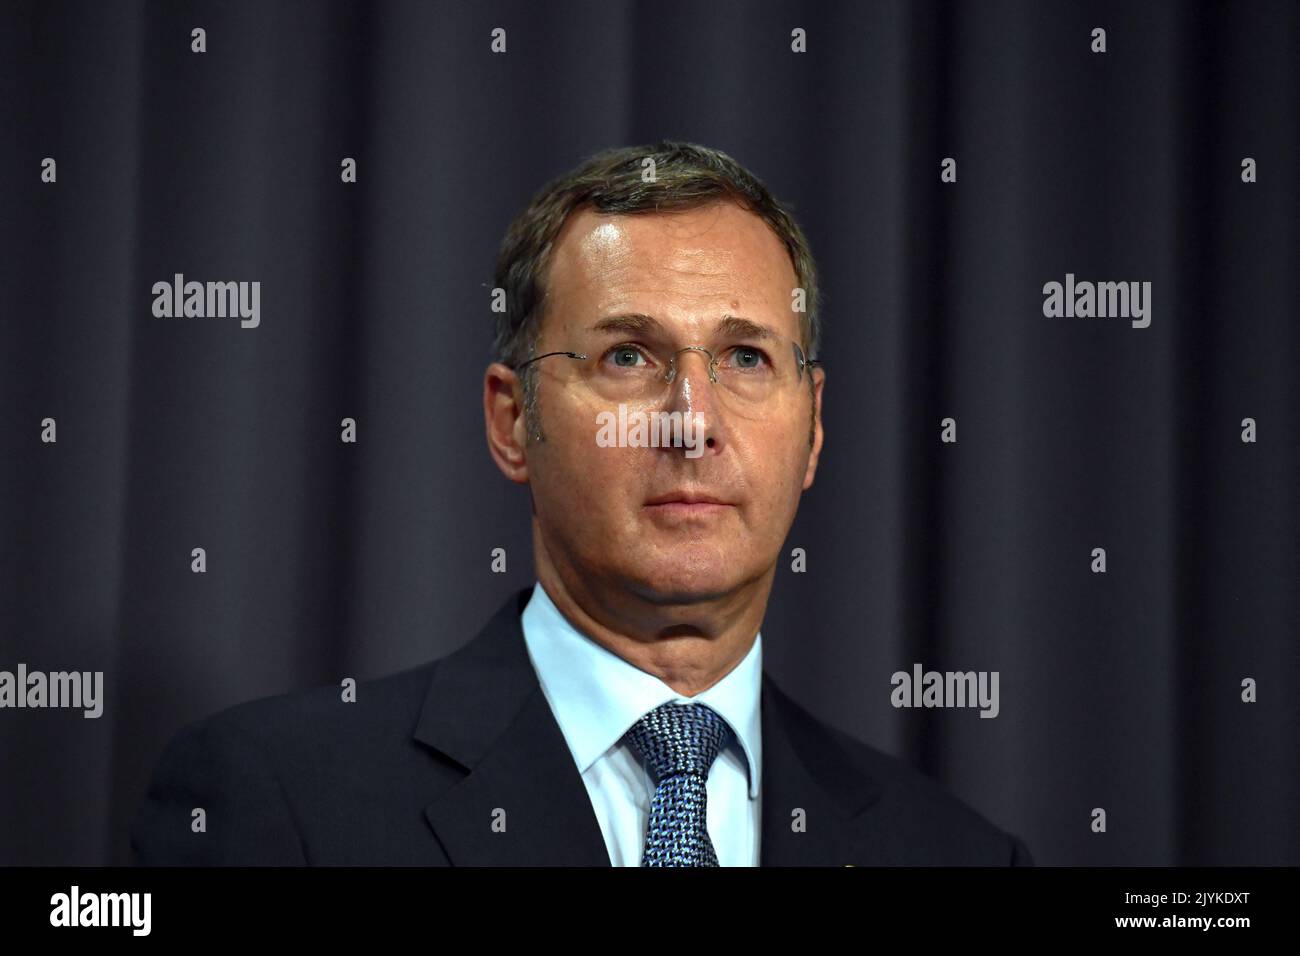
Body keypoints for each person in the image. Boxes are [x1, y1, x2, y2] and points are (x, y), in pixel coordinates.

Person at [131, 140, 1033, 866]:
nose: (693, 423)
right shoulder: (275, 803)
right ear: (513, 420)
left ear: (814, 428)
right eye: (629, 357)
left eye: (748, 359)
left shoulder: (955, 852)